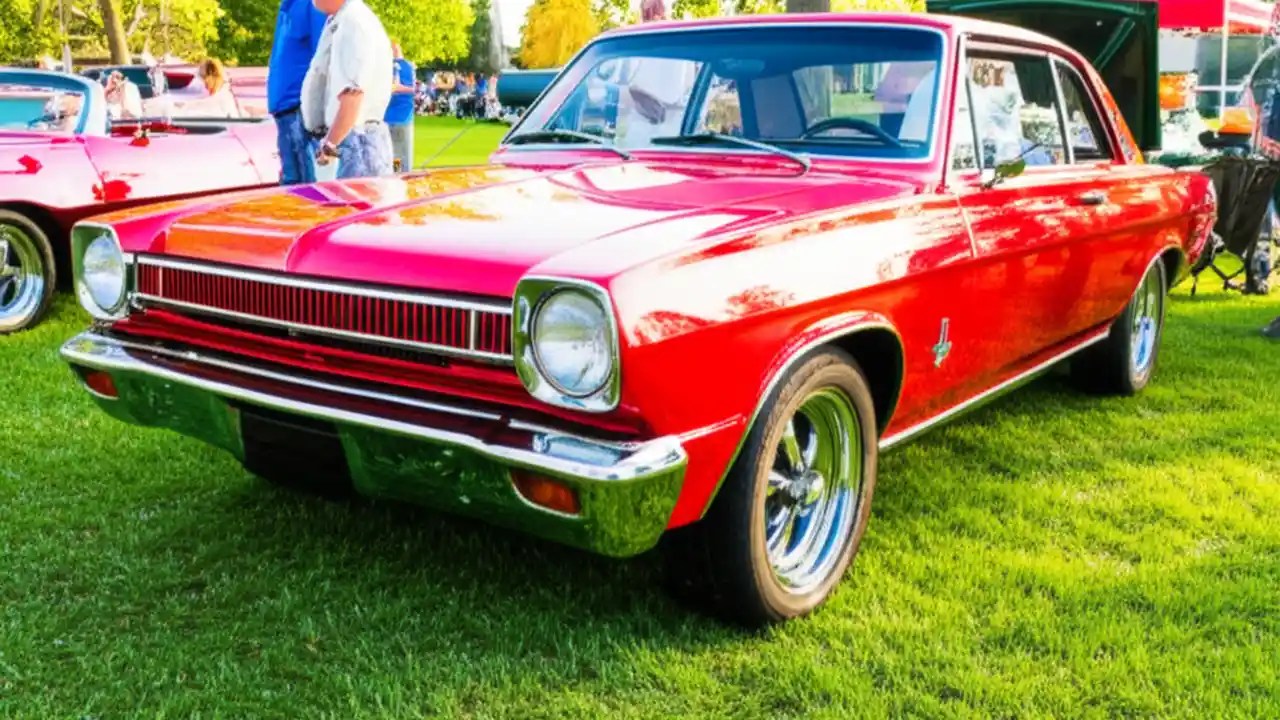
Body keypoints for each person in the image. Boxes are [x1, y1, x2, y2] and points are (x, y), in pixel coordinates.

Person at [302, 0, 394, 179]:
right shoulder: (345, 20)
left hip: (357, 142)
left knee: (353, 205)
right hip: (353, 139)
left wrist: (330, 145)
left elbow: (353, 94)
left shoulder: (353, 23)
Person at [267, 0, 329, 185]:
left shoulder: (310, 5)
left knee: (302, 184)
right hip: (288, 104)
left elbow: (323, 54)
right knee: (297, 183)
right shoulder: (291, 6)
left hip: (297, 105)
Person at [385, 40, 416, 172]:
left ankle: (397, 175)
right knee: (399, 152)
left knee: (396, 152)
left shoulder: (393, 66)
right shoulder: (405, 67)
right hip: (398, 117)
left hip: (394, 116)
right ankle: (399, 177)